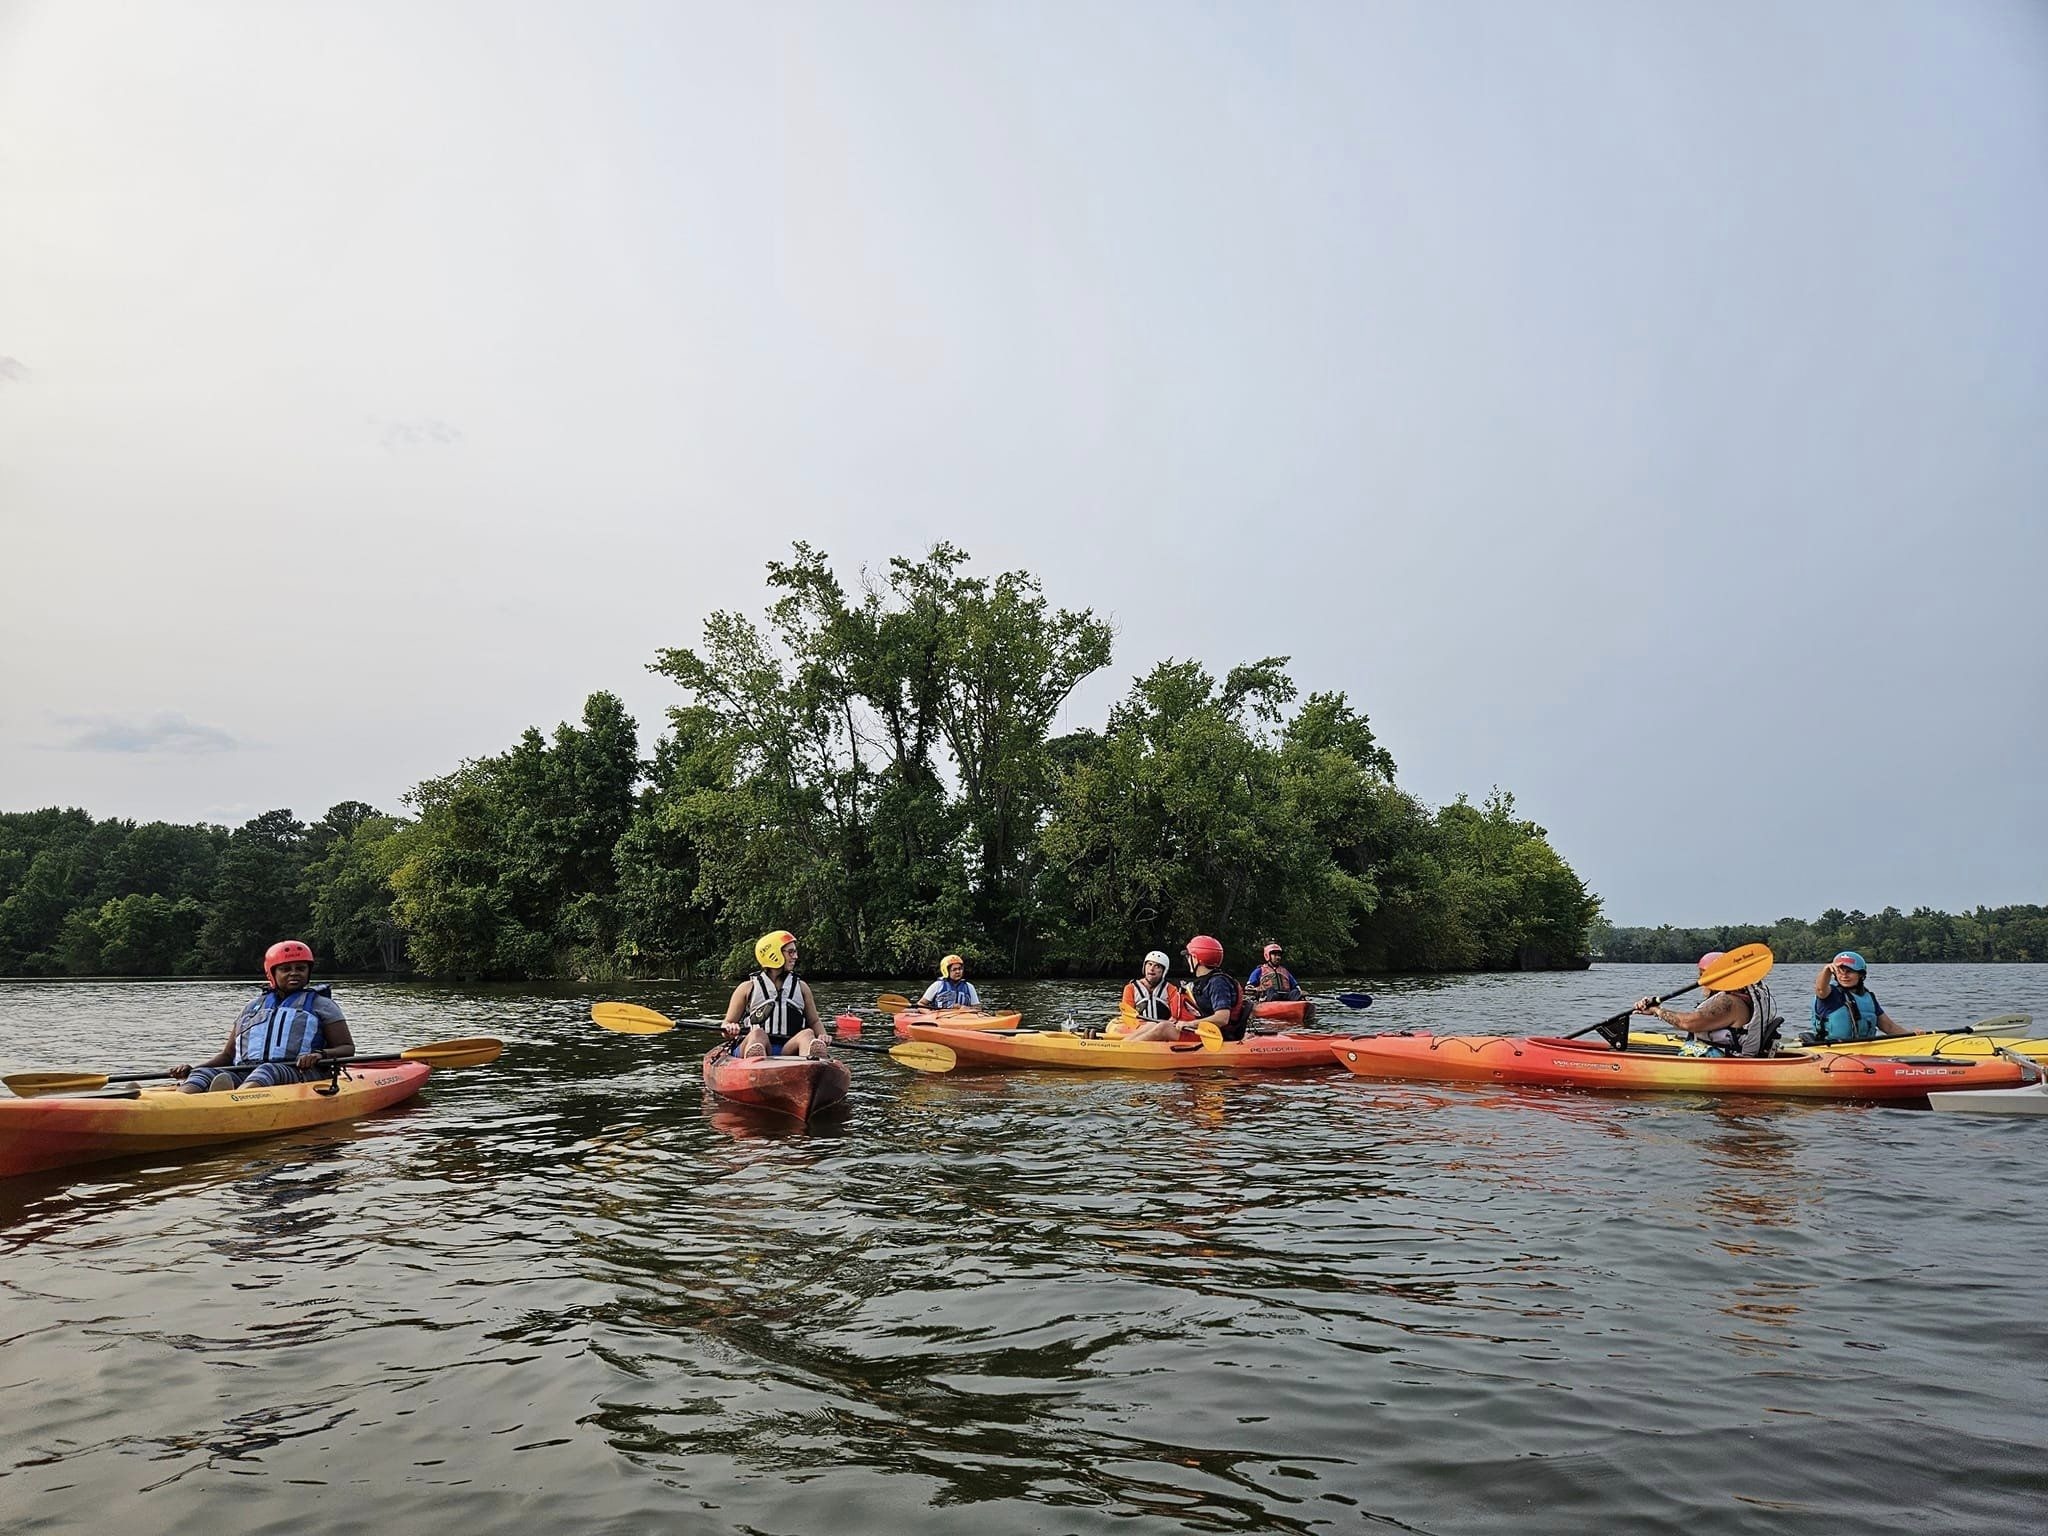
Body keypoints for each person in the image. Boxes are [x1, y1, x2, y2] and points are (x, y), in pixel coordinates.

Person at [171, 939, 355, 1092]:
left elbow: (347, 1048)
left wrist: (319, 1055)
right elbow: (227, 1056)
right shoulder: (252, 1007)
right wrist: (194, 1069)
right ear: (272, 973)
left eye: (300, 968)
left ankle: (235, 1100)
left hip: (300, 1072)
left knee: (267, 1070)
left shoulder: (322, 1005)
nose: (294, 973)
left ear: (308, 972)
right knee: (202, 1074)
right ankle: (180, 1102)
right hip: (247, 1072)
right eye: (285, 969)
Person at [1633, 950, 1779, 1057]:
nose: (1700, 981)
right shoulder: (1746, 994)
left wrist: (1657, 1011)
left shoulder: (1728, 1002)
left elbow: (1688, 1023)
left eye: (1702, 974)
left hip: (1729, 1062)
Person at [722, 930, 829, 1059]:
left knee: (807, 1034)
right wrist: (730, 1028)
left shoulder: (802, 988)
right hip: (754, 1043)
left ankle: (812, 1063)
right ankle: (756, 1059)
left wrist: (823, 1035)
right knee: (757, 1034)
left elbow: (814, 1021)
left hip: (788, 1048)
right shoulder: (747, 988)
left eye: (795, 952)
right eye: (790, 952)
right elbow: (727, 1023)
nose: (795, 956)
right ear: (774, 954)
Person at [1806, 951, 1911, 1043]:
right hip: (1831, 1049)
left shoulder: (1868, 997)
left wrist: (1912, 1037)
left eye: (1849, 971)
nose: (1844, 976)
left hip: (1864, 1048)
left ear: (1860, 974)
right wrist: (1826, 971)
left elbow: (1889, 1027)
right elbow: (1820, 989)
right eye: (1840, 972)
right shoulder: (1830, 995)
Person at [1184, 933, 1254, 1042]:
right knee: (1161, 1025)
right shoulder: (1206, 982)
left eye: (1188, 956)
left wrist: (1189, 1024)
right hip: (1206, 1031)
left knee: (1163, 1029)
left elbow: (1222, 1018)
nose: (1187, 960)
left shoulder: (1218, 983)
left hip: (1218, 1035)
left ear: (1195, 958)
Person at [1116, 950, 1197, 1042]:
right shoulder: (1130, 988)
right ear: (1144, 967)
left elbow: (1174, 1017)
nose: (1151, 969)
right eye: (1149, 964)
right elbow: (1128, 1016)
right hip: (1137, 1027)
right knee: (1151, 1025)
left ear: (1163, 971)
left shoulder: (1171, 990)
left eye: (1157, 966)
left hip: (1161, 1027)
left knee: (1153, 1025)